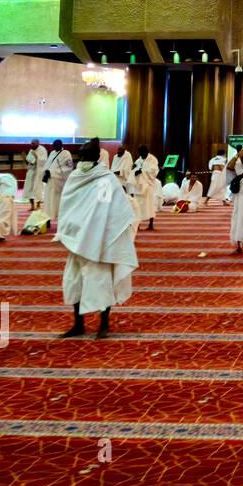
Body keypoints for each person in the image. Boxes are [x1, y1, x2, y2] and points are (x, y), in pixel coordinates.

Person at [56, 138, 137, 340]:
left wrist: (92, 232)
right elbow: (68, 205)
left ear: (95, 158)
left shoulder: (105, 180)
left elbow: (104, 210)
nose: (82, 161)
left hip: (98, 242)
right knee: (74, 283)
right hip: (77, 241)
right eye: (81, 157)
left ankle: (104, 325)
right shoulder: (76, 176)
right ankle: (78, 324)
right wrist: (72, 230)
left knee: (101, 284)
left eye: (86, 157)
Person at [43, 140, 74, 226]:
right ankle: (47, 219)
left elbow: (69, 168)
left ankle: (62, 220)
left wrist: (52, 173)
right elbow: (47, 164)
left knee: (58, 202)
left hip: (58, 182)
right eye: (54, 145)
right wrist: (45, 172)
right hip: (50, 181)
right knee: (48, 200)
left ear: (61, 145)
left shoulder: (66, 154)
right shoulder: (52, 153)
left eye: (56, 145)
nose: (55, 147)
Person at [130, 144, 160, 231]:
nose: (140, 155)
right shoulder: (138, 160)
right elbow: (134, 170)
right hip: (138, 186)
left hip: (148, 185)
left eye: (141, 153)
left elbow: (154, 171)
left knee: (149, 205)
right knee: (137, 206)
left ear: (146, 152)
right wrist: (135, 170)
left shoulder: (152, 159)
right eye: (139, 153)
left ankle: (151, 224)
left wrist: (141, 171)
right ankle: (138, 225)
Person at [23, 139, 47, 209]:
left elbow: (44, 160)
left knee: (38, 189)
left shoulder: (42, 149)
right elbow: (29, 162)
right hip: (31, 172)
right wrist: (24, 158)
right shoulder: (31, 150)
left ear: (38, 143)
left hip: (39, 172)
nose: (32, 145)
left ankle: (38, 205)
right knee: (29, 189)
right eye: (31, 143)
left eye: (33, 143)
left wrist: (36, 157)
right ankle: (32, 206)